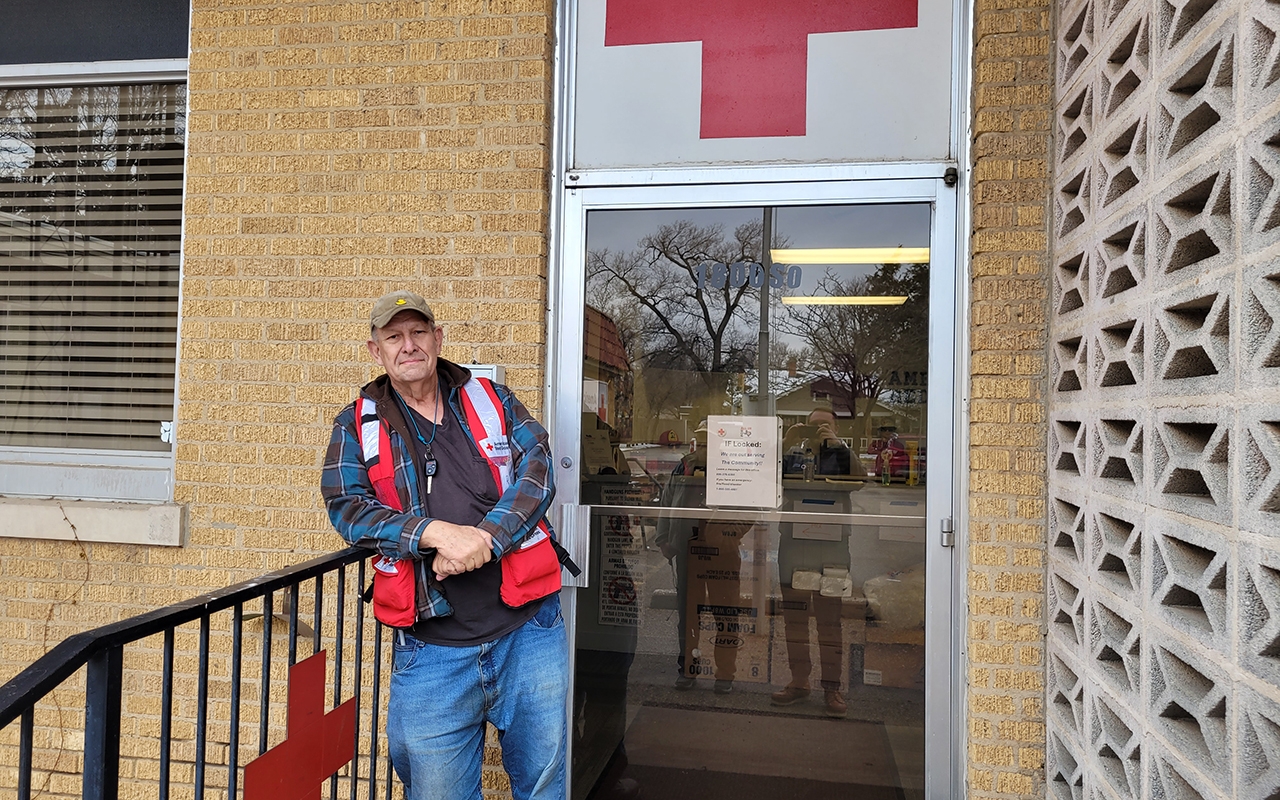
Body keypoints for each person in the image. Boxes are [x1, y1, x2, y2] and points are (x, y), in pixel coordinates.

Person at [322, 290, 566, 800]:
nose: (408, 345)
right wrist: (436, 534)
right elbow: (347, 508)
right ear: (376, 351)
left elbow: (538, 467)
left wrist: (487, 538)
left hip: (528, 630)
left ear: (438, 339)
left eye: (418, 333)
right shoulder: (356, 424)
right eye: (394, 337)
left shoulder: (492, 399)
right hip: (432, 647)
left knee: (544, 784)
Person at [774, 408, 865, 718]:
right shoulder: (793, 453)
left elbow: (860, 479)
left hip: (832, 544)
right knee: (795, 617)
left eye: (825, 426)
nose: (818, 431)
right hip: (795, 544)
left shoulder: (841, 454)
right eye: (813, 427)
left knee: (829, 619)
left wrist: (839, 444)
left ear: (836, 427)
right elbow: (763, 476)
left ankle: (832, 686)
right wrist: (786, 441)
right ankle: (799, 681)